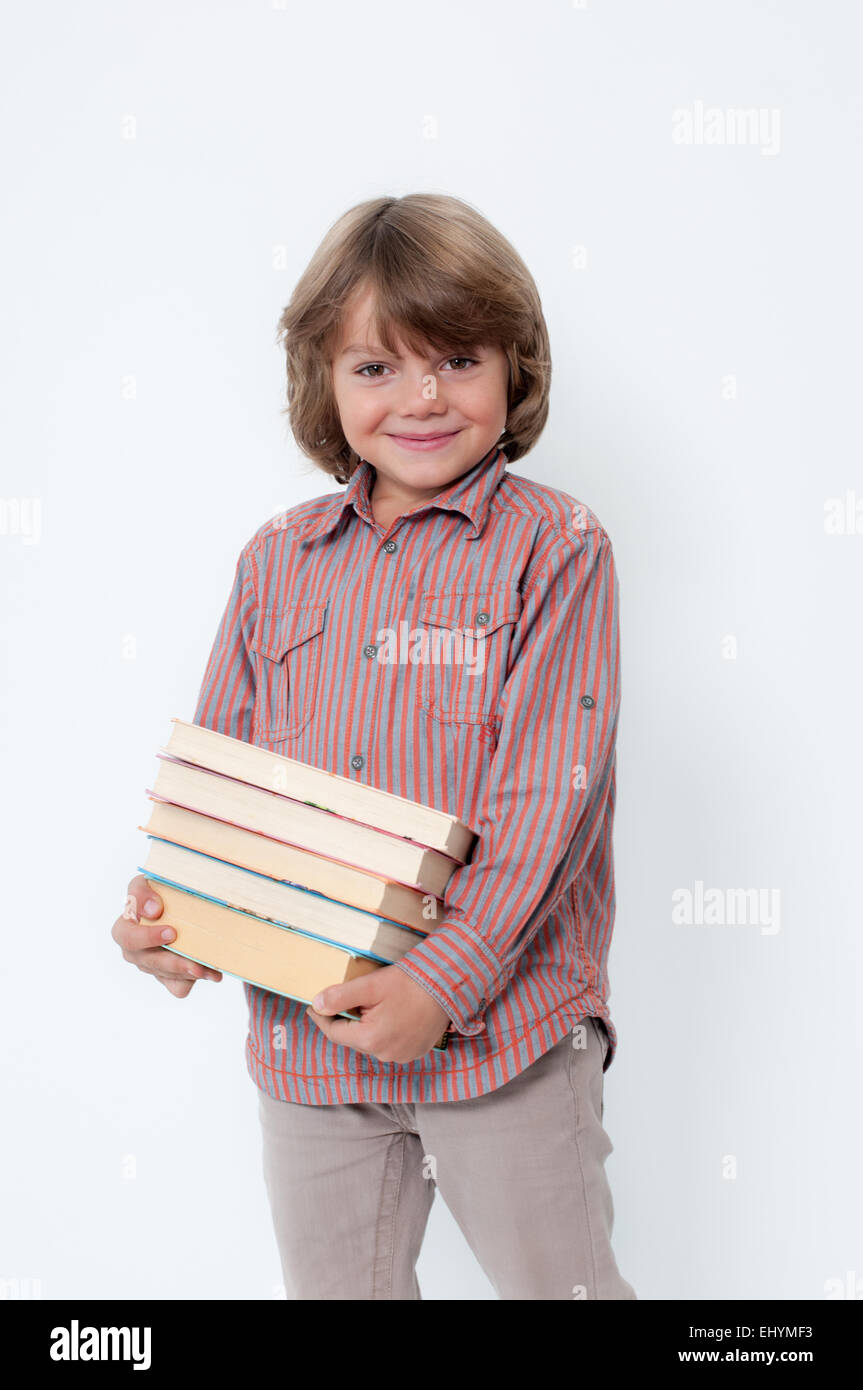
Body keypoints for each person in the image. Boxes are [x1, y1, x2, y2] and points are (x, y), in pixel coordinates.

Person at [113, 192, 636, 1301]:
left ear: (514, 369)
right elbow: (224, 788)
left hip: (505, 1046)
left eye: (455, 357)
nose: (422, 397)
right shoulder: (278, 559)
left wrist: (441, 983)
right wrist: (173, 912)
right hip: (308, 1051)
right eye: (375, 368)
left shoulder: (558, 548)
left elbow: (551, 793)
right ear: (323, 384)